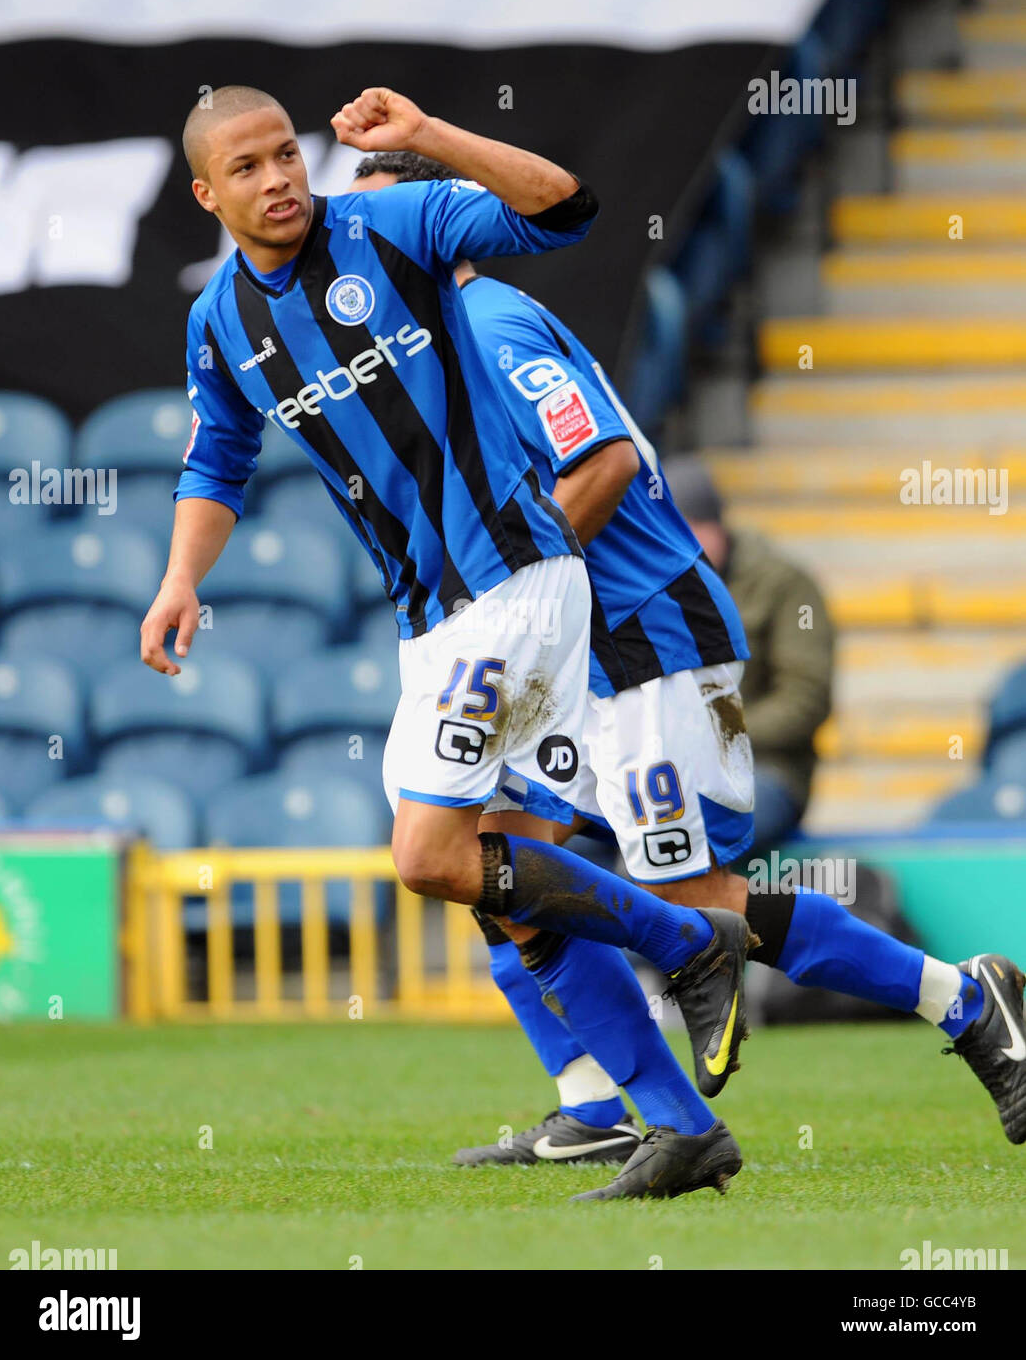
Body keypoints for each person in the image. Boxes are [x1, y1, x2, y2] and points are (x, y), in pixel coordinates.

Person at [139, 84, 757, 1203]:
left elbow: (564, 207)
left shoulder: (387, 223)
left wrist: (423, 139)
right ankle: (672, 1124)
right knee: (506, 881)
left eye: (287, 153)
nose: (277, 177)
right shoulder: (219, 319)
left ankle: (681, 938)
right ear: (205, 192)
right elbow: (216, 461)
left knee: (427, 855)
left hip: (516, 582)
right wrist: (182, 579)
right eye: (247, 167)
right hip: (431, 617)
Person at [348, 151, 1026, 1166]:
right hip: (558, 651)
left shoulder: (490, 327)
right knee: (486, 854)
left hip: (637, 635)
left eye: (369, 231)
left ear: (430, 232)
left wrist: (505, 597)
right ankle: (592, 1102)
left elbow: (603, 463)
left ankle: (967, 999)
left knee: (690, 903)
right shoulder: (429, 354)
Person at [664, 455, 833, 850]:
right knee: (575, 842)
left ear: (719, 527)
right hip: (663, 770)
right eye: (672, 534)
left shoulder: (783, 586)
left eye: (695, 530)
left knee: (683, 838)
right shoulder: (650, 587)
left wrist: (713, 740)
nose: (684, 547)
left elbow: (806, 699)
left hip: (764, 770)